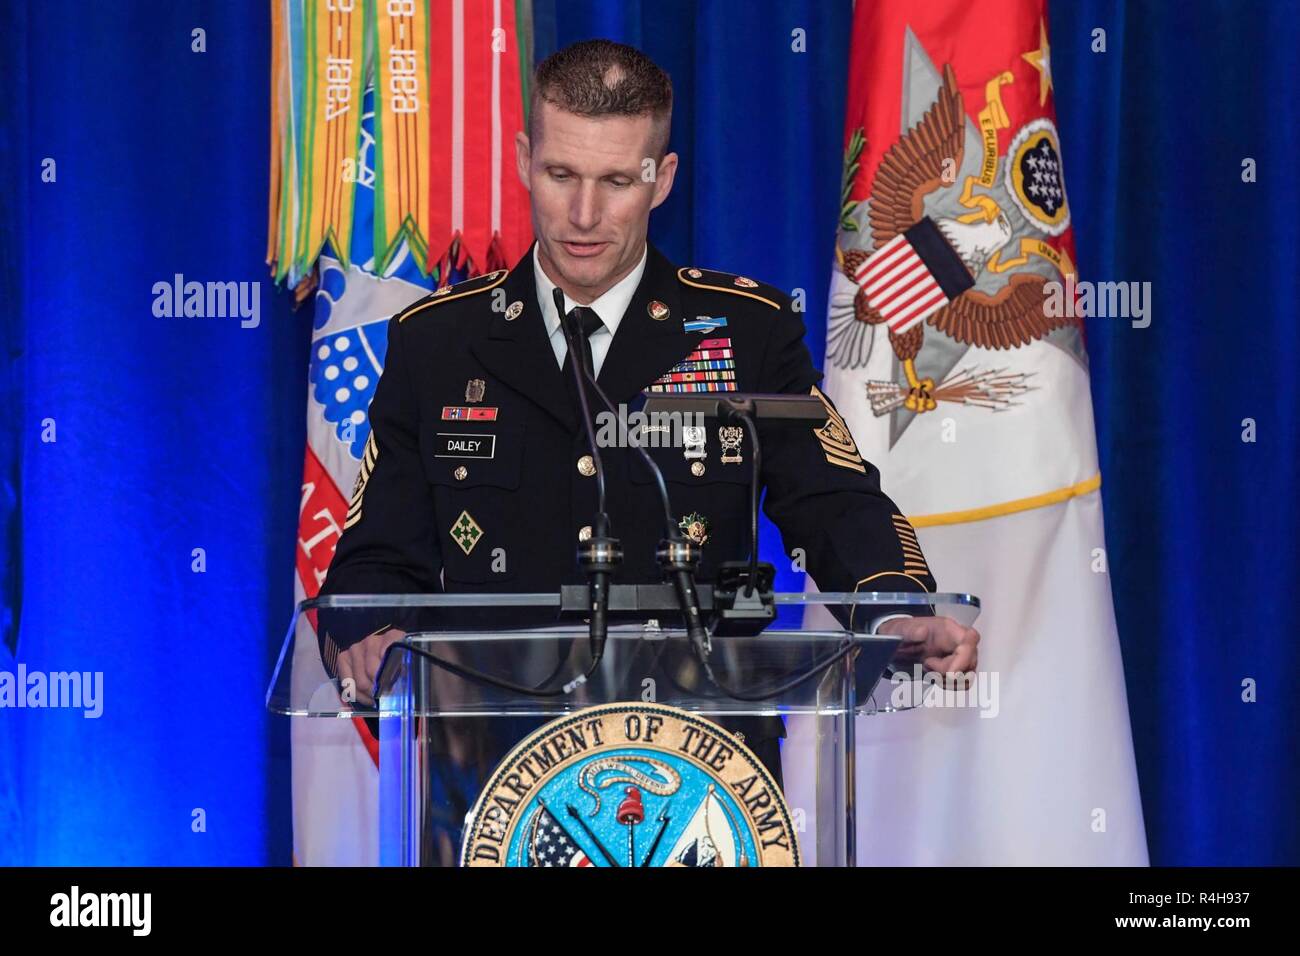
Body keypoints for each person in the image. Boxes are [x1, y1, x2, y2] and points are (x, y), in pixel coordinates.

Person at [318, 39, 979, 792]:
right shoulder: (439, 340)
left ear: (661, 180)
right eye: (560, 174)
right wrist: (366, 636)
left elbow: (832, 498)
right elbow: (376, 556)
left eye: (615, 182)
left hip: (700, 772)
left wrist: (892, 610)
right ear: (522, 158)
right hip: (490, 773)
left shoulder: (744, 331)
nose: (584, 214)